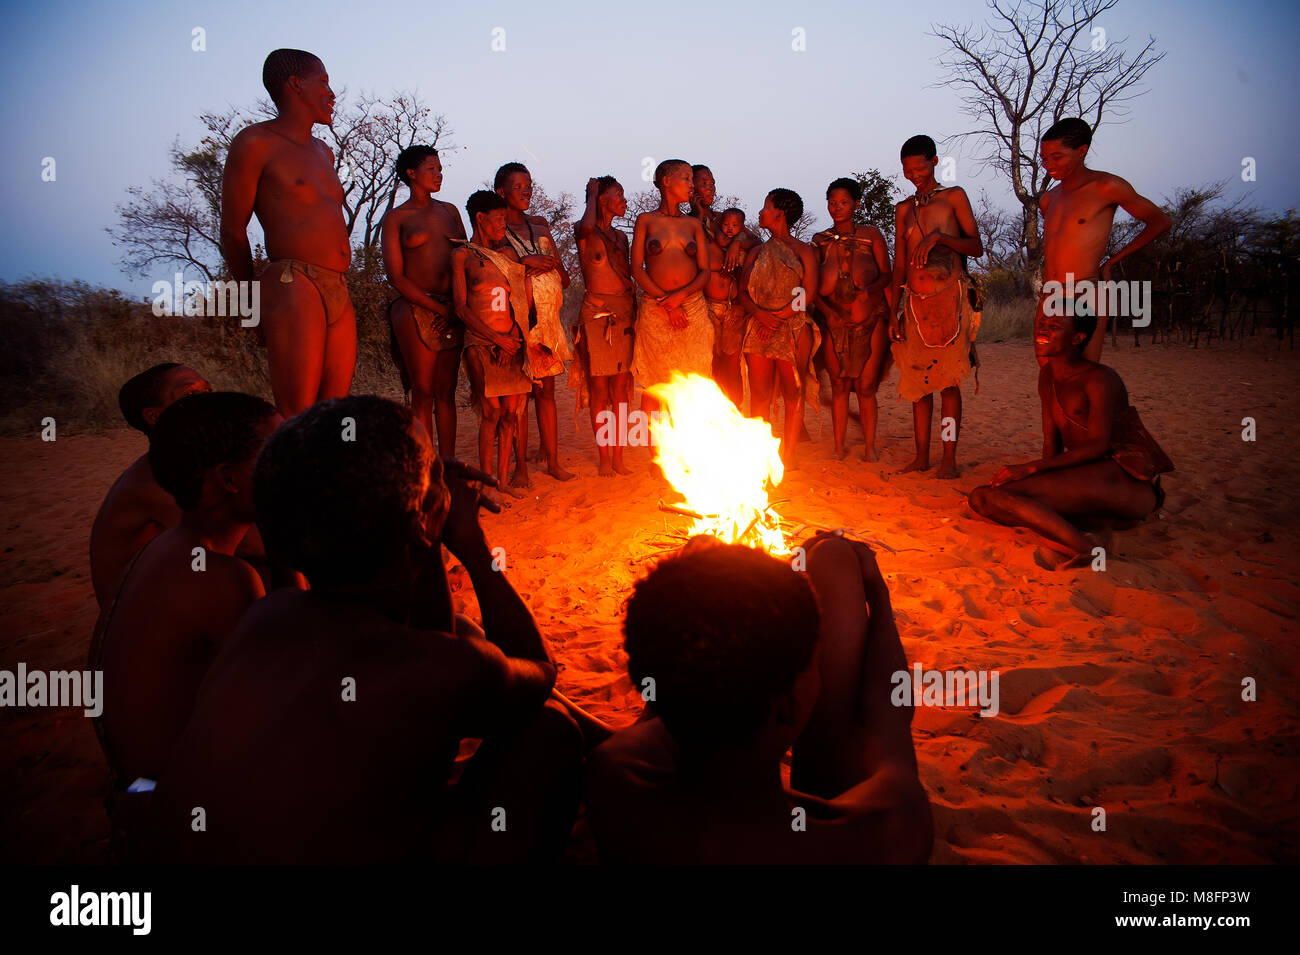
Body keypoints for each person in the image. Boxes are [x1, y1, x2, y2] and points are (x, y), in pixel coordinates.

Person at [147, 397, 585, 863]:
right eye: (434, 468)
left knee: (461, 632)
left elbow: (430, 634)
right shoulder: (442, 668)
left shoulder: (267, 616)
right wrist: (472, 547)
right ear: (420, 522)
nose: (443, 470)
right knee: (550, 732)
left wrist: (425, 520)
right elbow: (540, 671)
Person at [586, 533, 933, 864]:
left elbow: (673, 687)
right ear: (788, 704)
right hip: (799, 819)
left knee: (705, 562)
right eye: (814, 661)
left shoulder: (616, 775)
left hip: (689, 776)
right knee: (835, 558)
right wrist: (878, 594)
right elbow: (888, 716)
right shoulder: (876, 835)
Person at [91, 392, 279, 791]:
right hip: (175, 808)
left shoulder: (165, 548)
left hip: (139, 786)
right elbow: (284, 703)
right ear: (229, 478)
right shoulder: (222, 578)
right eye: (279, 454)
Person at [968, 308, 1173, 566]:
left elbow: (1099, 445)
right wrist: (1039, 477)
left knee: (996, 497)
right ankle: (1101, 522)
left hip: (1123, 479)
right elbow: (1050, 441)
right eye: (1042, 323)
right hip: (1086, 477)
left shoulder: (1100, 379)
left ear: (1076, 338)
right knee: (983, 498)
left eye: (1054, 326)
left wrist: (1031, 468)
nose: (1042, 330)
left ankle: (1087, 548)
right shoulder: (1048, 375)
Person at [221, 49, 355, 416]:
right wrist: (250, 302)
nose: (332, 93)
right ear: (295, 84)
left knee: (334, 411)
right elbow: (233, 231)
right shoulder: (255, 143)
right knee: (298, 414)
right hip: (294, 280)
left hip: (338, 284)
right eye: (324, 81)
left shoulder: (323, 152)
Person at [1037, 118, 1171, 365]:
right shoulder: (1049, 199)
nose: (1049, 165)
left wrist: (1112, 261)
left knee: (1083, 372)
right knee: (1048, 373)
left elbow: (1160, 222)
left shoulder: (1106, 187)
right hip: (1050, 292)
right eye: (1044, 159)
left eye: (1057, 157)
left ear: (1082, 151)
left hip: (1085, 289)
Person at [889, 134, 984, 479]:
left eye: (919, 167)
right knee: (918, 385)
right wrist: (892, 311)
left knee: (947, 384)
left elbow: (976, 247)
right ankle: (920, 456)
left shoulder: (953, 197)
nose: (913, 174)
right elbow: (899, 265)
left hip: (950, 302)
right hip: (914, 305)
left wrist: (940, 238)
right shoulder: (903, 210)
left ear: (934, 161)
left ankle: (948, 458)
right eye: (906, 170)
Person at [90, 363, 211, 608]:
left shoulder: (186, 461)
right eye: (191, 394)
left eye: (208, 391)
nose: (210, 400)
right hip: (139, 622)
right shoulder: (155, 477)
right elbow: (239, 542)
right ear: (154, 416)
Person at [381, 145, 467, 457]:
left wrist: (457, 305)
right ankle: (425, 466)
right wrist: (438, 308)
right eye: (432, 169)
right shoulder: (396, 218)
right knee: (424, 391)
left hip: (451, 307)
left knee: (446, 392)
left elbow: (465, 256)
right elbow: (397, 277)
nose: (439, 174)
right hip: (416, 307)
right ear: (411, 174)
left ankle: (448, 465)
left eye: (440, 168)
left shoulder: (449, 211)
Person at [495, 162, 576, 485]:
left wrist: (553, 271)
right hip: (517, 321)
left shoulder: (540, 224)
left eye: (529, 185)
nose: (526, 191)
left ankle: (553, 461)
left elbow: (562, 273)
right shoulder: (498, 230)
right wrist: (525, 264)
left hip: (547, 320)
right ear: (501, 192)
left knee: (546, 393)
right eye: (518, 186)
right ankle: (521, 469)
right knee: (519, 398)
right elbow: (493, 271)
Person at [452, 191, 534, 500]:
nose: (503, 224)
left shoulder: (508, 256)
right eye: (499, 219)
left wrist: (511, 337)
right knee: (491, 412)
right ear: (481, 219)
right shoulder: (462, 256)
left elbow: (518, 300)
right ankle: (485, 484)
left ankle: (502, 482)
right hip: (480, 342)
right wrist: (495, 338)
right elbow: (461, 307)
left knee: (511, 413)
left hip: (510, 342)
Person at [739, 189, 823, 466]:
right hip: (759, 326)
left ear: (780, 213)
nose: (760, 212)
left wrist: (780, 316)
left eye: (766, 206)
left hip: (793, 327)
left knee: (793, 392)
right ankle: (759, 457)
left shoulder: (804, 251)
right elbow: (742, 291)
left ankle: (787, 456)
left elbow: (808, 292)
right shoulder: (756, 252)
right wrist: (760, 315)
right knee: (760, 394)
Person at [812, 178, 892, 461]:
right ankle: (838, 446)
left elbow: (886, 273)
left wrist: (868, 291)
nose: (837, 208)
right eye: (832, 203)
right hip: (834, 324)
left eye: (843, 202)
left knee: (867, 386)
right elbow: (810, 286)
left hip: (871, 319)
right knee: (839, 385)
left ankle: (870, 448)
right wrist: (829, 312)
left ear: (856, 204)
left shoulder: (871, 235)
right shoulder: (820, 241)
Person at [630, 159, 714, 416]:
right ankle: (656, 451)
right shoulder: (646, 221)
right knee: (655, 382)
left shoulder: (693, 225)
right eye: (686, 178)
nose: (692, 184)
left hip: (692, 309)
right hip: (656, 310)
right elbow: (636, 269)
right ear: (666, 181)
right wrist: (666, 302)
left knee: (695, 379)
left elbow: (704, 271)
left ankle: (689, 444)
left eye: (692, 179)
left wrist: (680, 297)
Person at [572, 175, 636, 475]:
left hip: (623, 311)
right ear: (601, 200)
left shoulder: (621, 238)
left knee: (621, 389)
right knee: (599, 387)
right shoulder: (585, 232)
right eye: (618, 194)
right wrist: (592, 195)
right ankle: (604, 458)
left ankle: (619, 456)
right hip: (596, 313)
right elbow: (586, 226)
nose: (624, 200)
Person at [704, 208, 749, 407]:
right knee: (712, 363)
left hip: (733, 309)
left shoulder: (744, 238)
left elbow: (756, 242)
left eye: (734, 226)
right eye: (725, 225)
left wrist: (737, 243)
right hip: (708, 308)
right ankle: (715, 410)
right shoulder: (704, 228)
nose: (729, 229)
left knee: (732, 364)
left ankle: (735, 409)